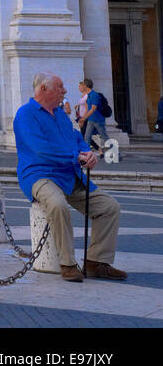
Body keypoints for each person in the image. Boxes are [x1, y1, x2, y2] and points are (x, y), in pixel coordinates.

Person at [14, 72, 127, 282]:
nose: (65, 91)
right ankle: (67, 263)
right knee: (57, 205)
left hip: (69, 173)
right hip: (40, 174)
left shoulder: (61, 116)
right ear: (43, 90)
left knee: (109, 207)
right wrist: (76, 157)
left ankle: (97, 262)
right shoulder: (25, 114)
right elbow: (41, 150)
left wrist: (87, 152)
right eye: (60, 87)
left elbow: (77, 139)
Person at [74, 77, 109, 148]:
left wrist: (84, 118)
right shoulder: (89, 95)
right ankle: (87, 154)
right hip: (91, 120)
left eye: (82, 85)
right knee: (87, 138)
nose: (81, 86)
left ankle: (116, 152)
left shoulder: (94, 95)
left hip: (97, 120)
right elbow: (88, 108)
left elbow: (93, 108)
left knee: (105, 137)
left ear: (85, 86)